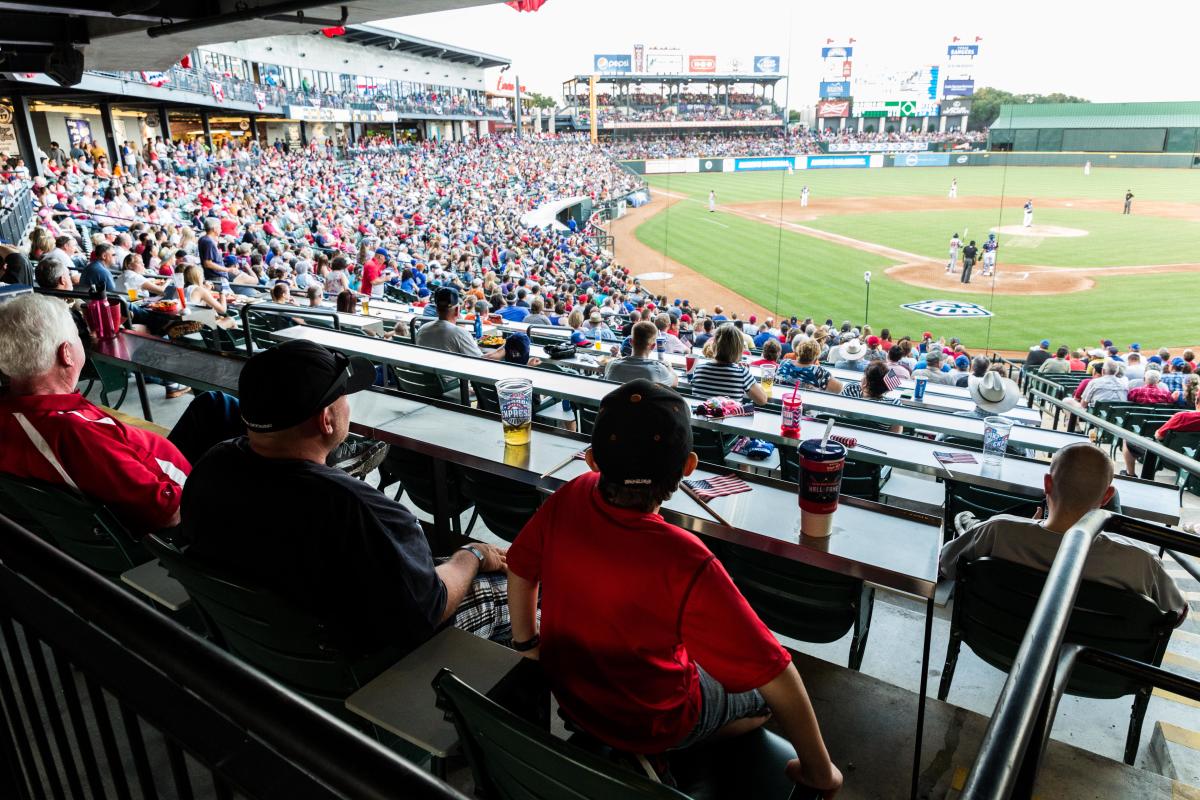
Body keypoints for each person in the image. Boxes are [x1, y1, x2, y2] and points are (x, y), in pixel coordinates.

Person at [506, 380, 842, 793]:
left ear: (591, 461)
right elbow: (776, 675)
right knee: (761, 702)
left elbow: (519, 568)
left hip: (572, 698)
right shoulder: (686, 559)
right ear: (688, 467)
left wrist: (528, 644)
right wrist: (821, 774)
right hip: (655, 721)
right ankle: (659, 750)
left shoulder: (572, 492)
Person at [182, 340, 512, 657]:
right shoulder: (358, 509)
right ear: (326, 419)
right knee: (516, 587)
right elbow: (429, 608)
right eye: (344, 395)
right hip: (367, 661)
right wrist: (472, 555)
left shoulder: (211, 466)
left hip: (270, 644)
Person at [0, 295, 192, 534]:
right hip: (181, 512)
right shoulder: (74, 433)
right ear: (66, 353)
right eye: (77, 337)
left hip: (133, 473)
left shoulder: (16, 412)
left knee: (213, 405)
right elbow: (167, 512)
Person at [942, 442, 1185, 621]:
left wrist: (1026, 530)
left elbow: (946, 564)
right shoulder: (1141, 562)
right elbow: (1176, 614)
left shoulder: (999, 531)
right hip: (1090, 668)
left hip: (995, 641)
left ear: (1047, 484)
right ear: (1107, 497)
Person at [415, 286, 504, 360]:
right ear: (457, 310)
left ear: (437, 309)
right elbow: (480, 361)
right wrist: (502, 350)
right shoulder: (460, 333)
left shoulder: (422, 329)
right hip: (450, 376)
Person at [689, 324, 768, 405]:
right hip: (730, 414)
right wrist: (747, 376)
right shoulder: (742, 373)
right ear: (738, 349)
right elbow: (763, 400)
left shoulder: (698, 369)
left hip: (700, 413)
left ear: (714, 344)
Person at [604, 321, 677, 387]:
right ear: (653, 346)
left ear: (630, 342)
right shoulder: (658, 370)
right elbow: (675, 382)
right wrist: (669, 366)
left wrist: (617, 357)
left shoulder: (612, 366)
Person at [779, 339, 843, 394]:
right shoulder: (819, 372)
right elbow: (839, 389)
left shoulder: (784, 363)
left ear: (798, 352)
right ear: (815, 358)